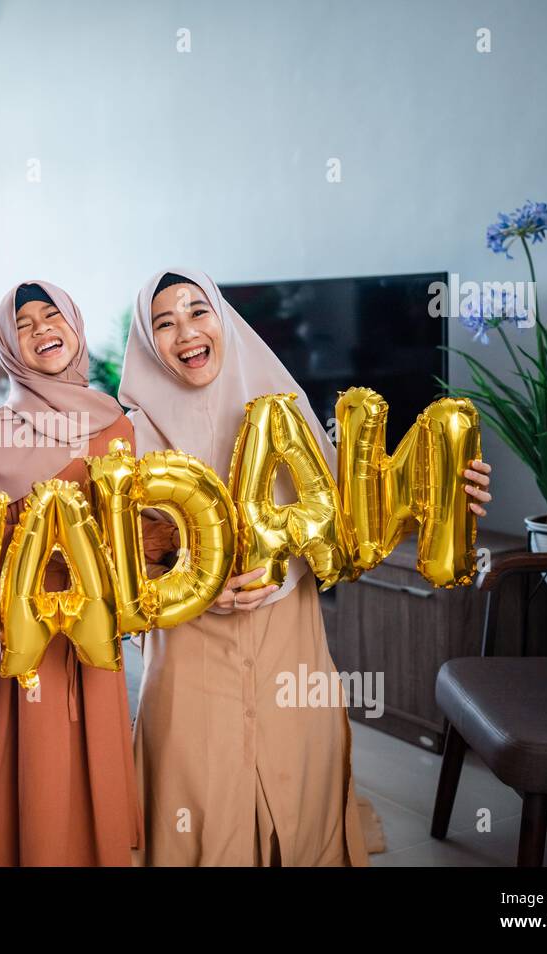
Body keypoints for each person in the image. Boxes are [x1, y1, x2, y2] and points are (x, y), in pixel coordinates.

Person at [119, 268, 493, 866]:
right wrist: (193, 583)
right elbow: (118, 559)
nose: (186, 332)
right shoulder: (128, 438)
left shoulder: (283, 414)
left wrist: (448, 488)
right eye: (164, 323)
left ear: (224, 322)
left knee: (301, 788)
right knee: (200, 795)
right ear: (146, 341)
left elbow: (363, 502)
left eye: (198, 311)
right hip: (189, 652)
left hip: (287, 642)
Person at [0, 280, 165, 866]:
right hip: (23, 630)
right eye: (22, 324)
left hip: (94, 628)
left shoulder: (118, 425)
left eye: (51, 316)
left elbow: (137, 530)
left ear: (74, 327)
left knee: (95, 746)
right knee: (35, 757)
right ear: (8, 346)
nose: (40, 330)